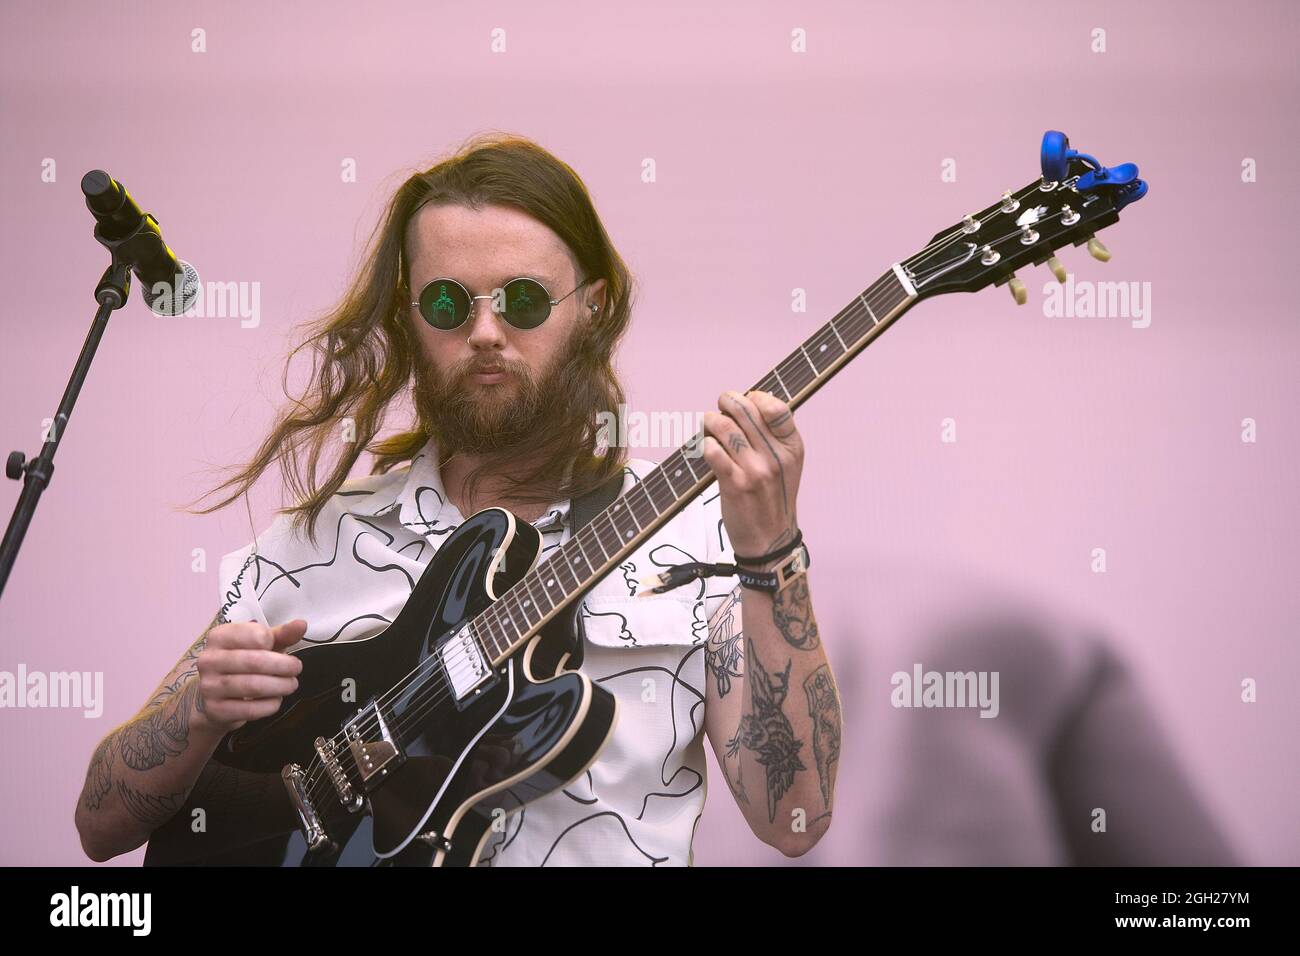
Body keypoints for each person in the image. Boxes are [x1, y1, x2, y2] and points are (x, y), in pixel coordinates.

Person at [73, 133, 842, 866]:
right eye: (447, 303)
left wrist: (772, 553)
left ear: (594, 307)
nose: (484, 332)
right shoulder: (312, 544)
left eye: (524, 302)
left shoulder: (698, 539)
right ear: (410, 317)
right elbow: (101, 823)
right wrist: (195, 715)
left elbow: (794, 819)